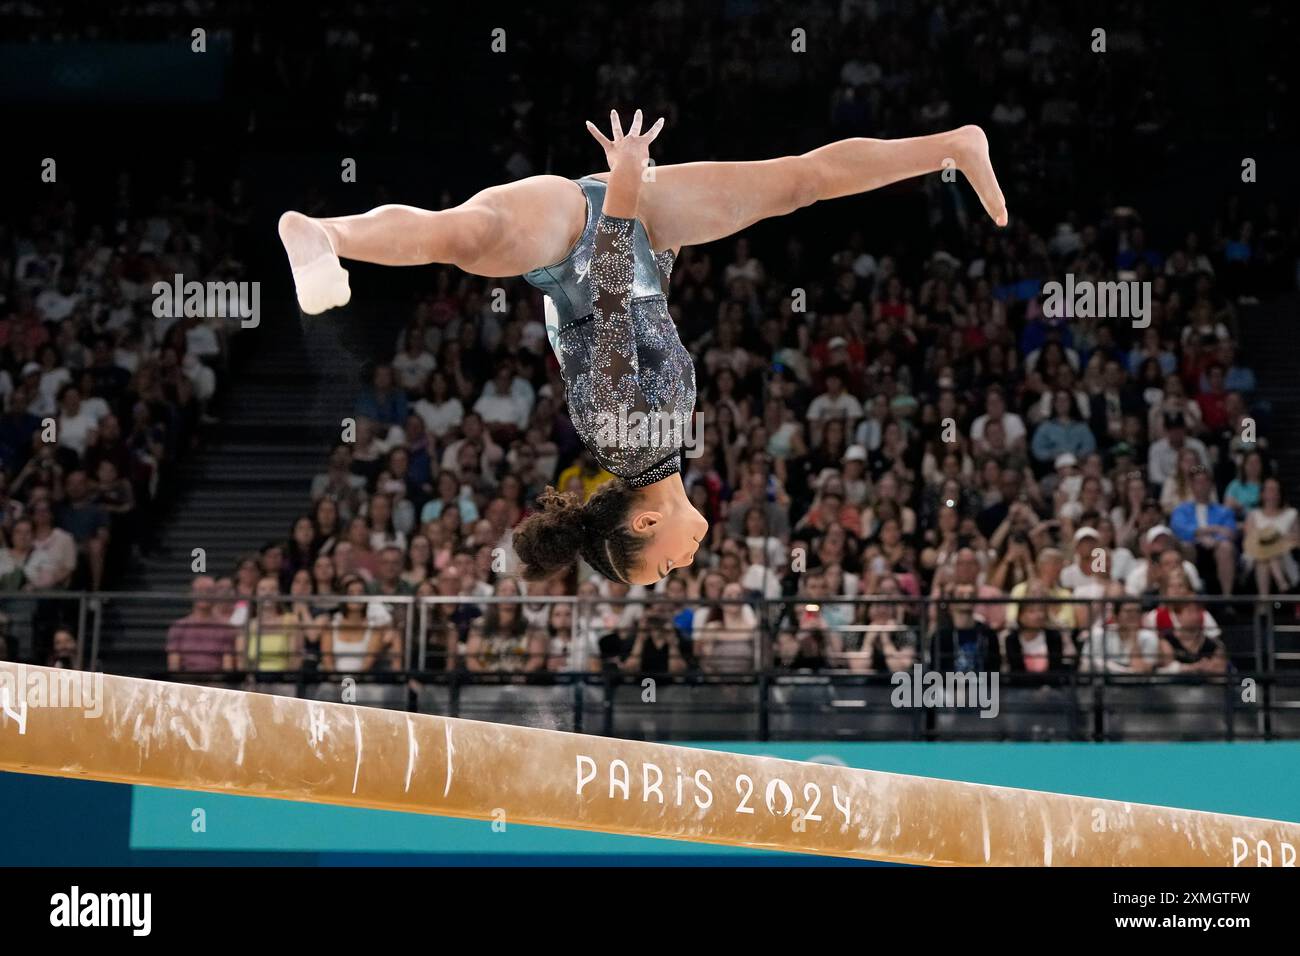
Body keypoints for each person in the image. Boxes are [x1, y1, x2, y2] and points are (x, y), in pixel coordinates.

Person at [281, 112, 1007, 584]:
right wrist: (662, 249)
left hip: (575, 237)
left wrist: (624, 191)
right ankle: (950, 146)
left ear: (646, 524)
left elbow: (606, 303)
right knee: (798, 183)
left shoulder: (626, 440)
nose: (681, 568)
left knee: (461, 236)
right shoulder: (660, 445)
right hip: (637, 238)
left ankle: (326, 234)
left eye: (661, 570)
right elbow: (647, 326)